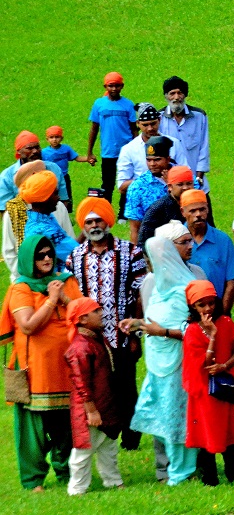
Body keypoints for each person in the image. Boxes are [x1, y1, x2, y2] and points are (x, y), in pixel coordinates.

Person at [0, 235, 82, 490]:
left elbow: (83, 315)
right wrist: (51, 300)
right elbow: (28, 325)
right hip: (35, 371)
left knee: (67, 425)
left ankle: (67, 473)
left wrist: (63, 297)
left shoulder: (65, 281)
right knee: (33, 430)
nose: (46, 259)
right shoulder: (21, 288)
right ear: (28, 259)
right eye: (40, 255)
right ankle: (33, 479)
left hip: (67, 368)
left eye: (49, 253)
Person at [66, 197, 146, 451]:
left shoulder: (131, 252)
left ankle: (131, 437)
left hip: (121, 336)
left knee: (125, 387)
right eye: (89, 222)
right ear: (83, 225)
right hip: (90, 339)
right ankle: (106, 432)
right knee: (98, 388)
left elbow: (140, 293)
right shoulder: (75, 258)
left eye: (98, 219)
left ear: (108, 221)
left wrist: (135, 333)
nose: (94, 225)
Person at [123, 237, 197, 485]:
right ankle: (170, 468)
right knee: (163, 416)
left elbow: (193, 331)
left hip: (178, 365)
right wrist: (137, 324)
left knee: (177, 415)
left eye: (151, 259)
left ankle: (183, 470)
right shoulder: (157, 289)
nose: (148, 264)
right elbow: (154, 321)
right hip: (158, 365)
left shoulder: (185, 290)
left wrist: (161, 332)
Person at [182, 279, 234, 486]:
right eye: (202, 304)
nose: (208, 308)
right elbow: (202, 364)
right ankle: (209, 477)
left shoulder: (226, 322)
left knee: (232, 431)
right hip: (204, 391)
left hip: (225, 385)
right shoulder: (192, 330)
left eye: (211, 302)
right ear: (193, 307)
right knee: (207, 431)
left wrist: (224, 366)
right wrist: (211, 337)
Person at [65, 297, 123, 495]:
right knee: (84, 449)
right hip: (90, 408)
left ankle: (113, 480)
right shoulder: (80, 348)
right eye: (96, 311)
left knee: (108, 445)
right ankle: (77, 488)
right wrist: (91, 411)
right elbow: (81, 383)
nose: (101, 313)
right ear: (82, 319)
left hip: (105, 403)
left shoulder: (96, 339)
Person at [182, 190, 234, 315]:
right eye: (192, 211)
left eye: (202, 209)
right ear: (183, 212)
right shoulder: (175, 241)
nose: (198, 214)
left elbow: (231, 283)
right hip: (186, 318)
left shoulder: (223, 240)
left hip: (217, 312)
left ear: (207, 210)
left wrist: (222, 316)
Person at [86, 73, 135, 208]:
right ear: (105, 86)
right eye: (111, 86)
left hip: (126, 151)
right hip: (108, 152)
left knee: (127, 182)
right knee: (107, 183)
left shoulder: (128, 104)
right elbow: (94, 128)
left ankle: (123, 214)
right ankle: (105, 210)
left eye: (117, 85)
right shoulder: (99, 104)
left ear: (122, 86)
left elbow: (134, 128)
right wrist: (89, 152)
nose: (114, 89)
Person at [19, 170, 79, 267]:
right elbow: (77, 255)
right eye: (55, 194)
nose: (58, 198)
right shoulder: (43, 229)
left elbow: (69, 246)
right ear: (44, 198)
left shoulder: (44, 217)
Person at [124, 136, 172, 244]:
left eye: (157, 160)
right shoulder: (137, 187)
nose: (152, 164)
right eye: (149, 160)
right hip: (152, 246)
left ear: (168, 159)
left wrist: (172, 184)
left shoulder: (185, 180)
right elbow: (135, 229)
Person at [137, 166, 196, 249]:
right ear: (170, 187)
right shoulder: (158, 208)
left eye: (189, 183)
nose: (185, 188)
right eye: (180, 184)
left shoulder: (198, 205)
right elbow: (143, 242)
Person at [42, 126, 87, 213]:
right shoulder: (44, 152)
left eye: (57, 137)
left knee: (67, 195)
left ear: (61, 138)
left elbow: (77, 158)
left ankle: (66, 213)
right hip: (50, 178)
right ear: (47, 139)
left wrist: (88, 159)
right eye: (51, 137)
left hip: (64, 177)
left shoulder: (66, 149)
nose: (54, 140)